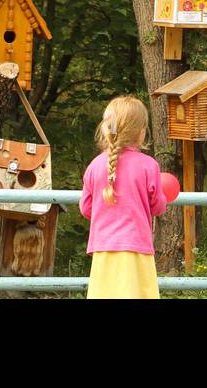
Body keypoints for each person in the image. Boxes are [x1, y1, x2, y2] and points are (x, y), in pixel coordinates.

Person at [80, 95, 169, 298]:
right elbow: (157, 207)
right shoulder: (148, 165)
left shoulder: (94, 166)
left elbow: (86, 208)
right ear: (140, 131)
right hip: (136, 249)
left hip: (103, 249)